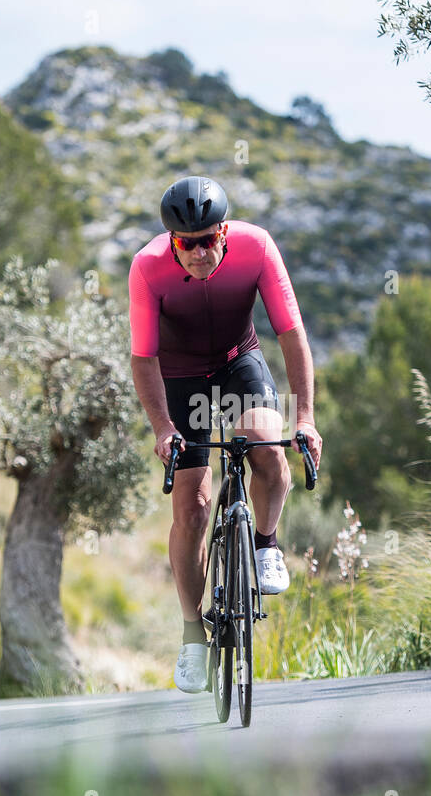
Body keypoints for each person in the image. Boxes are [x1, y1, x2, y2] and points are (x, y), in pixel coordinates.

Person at [128, 175, 323, 694]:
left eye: (207, 239)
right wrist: (163, 429)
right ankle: (194, 636)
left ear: (224, 233)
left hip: (240, 360)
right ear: (172, 241)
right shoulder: (148, 267)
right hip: (179, 374)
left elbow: (291, 334)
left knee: (268, 451)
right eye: (184, 244)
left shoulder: (257, 246)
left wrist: (304, 417)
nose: (197, 252)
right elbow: (143, 358)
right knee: (191, 507)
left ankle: (264, 543)